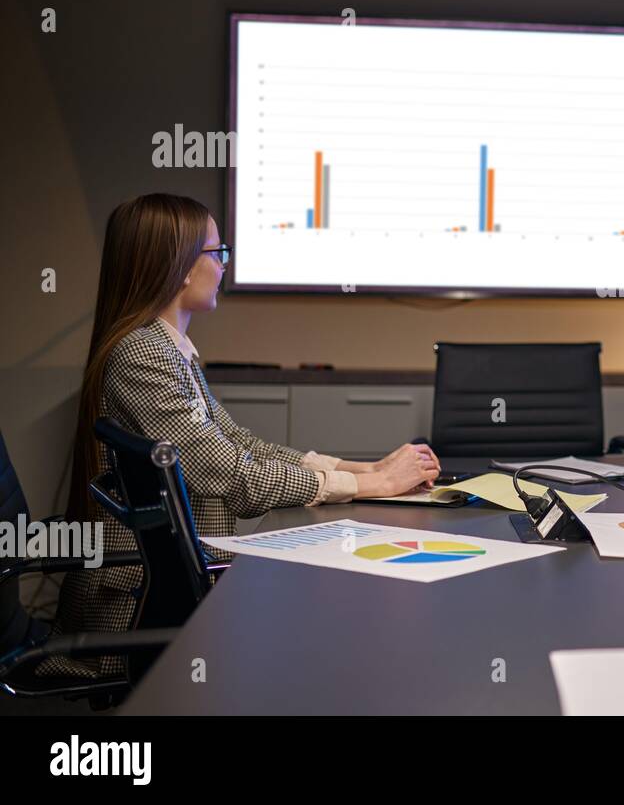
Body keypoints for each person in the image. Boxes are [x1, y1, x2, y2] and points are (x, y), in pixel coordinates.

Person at [49, 194, 440, 673]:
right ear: (182, 266)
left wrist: (365, 469)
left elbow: (241, 444)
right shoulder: (143, 355)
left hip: (174, 588)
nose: (224, 266)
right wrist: (370, 485)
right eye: (218, 253)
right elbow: (236, 479)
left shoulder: (169, 351)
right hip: (143, 606)